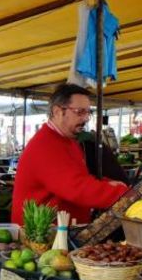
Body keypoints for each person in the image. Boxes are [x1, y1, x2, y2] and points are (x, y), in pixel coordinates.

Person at [11, 83, 128, 225]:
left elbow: (79, 177)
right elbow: (76, 188)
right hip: (42, 237)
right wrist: (126, 196)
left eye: (88, 113)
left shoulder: (67, 140)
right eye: (79, 112)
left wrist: (108, 184)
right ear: (57, 111)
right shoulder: (46, 145)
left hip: (65, 232)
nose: (85, 118)